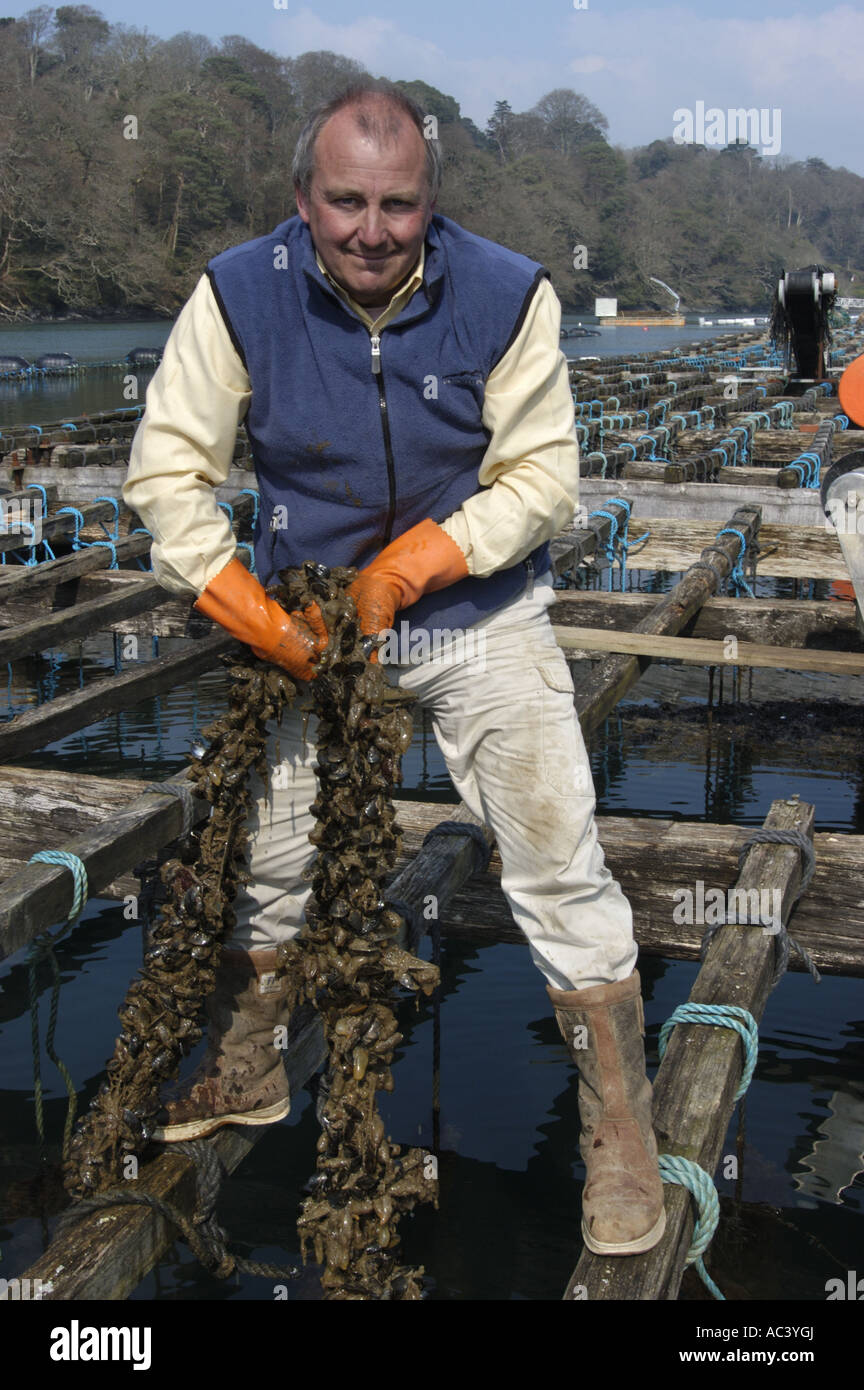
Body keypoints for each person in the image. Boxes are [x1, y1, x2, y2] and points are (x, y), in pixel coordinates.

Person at [122, 82, 665, 1257]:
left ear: (433, 201)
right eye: (347, 201)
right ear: (302, 197)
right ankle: (250, 1062)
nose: (372, 229)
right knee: (267, 856)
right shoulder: (232, 293)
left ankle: (620, 1134)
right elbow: (168, 474)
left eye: (400, 205)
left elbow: (543, 475)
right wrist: (254, 615)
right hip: (305, 615)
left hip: (474, 610)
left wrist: (422, 561)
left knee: (555, 852)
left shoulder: (510, 290)